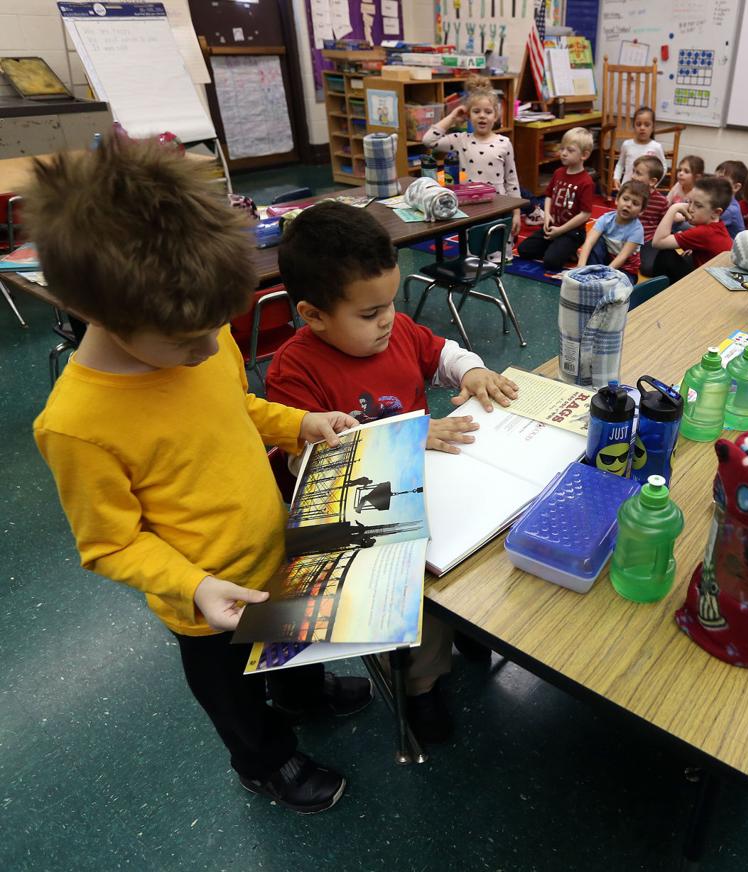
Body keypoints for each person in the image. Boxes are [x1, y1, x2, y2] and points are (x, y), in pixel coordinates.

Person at [29, 138, 363, 815]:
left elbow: (234, 408)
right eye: (189, 342)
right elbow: (111, 544)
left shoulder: (197, 336)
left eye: (219, 328)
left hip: (271, 545)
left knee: (295, 638)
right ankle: (264, 764)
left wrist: (296, 423)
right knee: (234, 696)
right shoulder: (76, 425)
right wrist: (196, 587)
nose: (211, 348)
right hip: (206, 605)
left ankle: (303, 694)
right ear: (101, 315)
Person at [266, 201, 519, 742]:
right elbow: (309, 463)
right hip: (359, 517)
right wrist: (407, 435)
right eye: (367, 313)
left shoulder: (396, 329)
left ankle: (466, 627)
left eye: (390, 303)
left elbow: (441, 350)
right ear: (311, 314)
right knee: (416, 604)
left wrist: (471, 371)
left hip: (431, 486)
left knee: (480, 550)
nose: (387, 320)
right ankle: (420, 689)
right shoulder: (293, 371)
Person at [422, 74, 523, 233]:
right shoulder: (460, 140)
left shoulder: (504, 143)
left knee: (498, 250)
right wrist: (453, 116)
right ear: (468, 116)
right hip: (470, 207)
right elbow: (429, 141)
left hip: (499, 206)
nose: (482, 115)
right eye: (476, 111)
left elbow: (512, 180)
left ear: (495, 116)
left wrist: (516, 212)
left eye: (488, 112)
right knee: (473, 251)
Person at [517, 126, 595, 272]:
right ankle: (558, 248)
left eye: (570, 150)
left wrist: (560, 231)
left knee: (551, 263)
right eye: (562, 148)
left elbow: (585, 214)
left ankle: (566, 249)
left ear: (584, 155)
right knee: (524, 250)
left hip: (572, 232)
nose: (563, 153)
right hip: (553, 227)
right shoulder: (558, 173)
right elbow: (549, 196)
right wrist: (546, 215)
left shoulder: (586, 182)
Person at [650, 175, 734, 285]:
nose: (690, 208)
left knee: (666, 255)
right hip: (713, 278)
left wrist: (673, 208)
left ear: (716, 212)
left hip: (707, 285)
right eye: (690, 202)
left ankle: (658, 296)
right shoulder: (716, 226)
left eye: (698, 205)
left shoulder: (704, 232)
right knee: (684, 253)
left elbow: (657, 242)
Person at [577, 180, 647, 276]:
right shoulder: (606, 219)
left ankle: (597, 276)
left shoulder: (637, 230)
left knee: (618, 288)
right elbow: (589, 242)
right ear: (617, 200)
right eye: (625, 199)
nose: (628, 205)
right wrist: (581, 266)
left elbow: (622, 257)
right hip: (606, 260)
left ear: (641, 211)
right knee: (597, 241)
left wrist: (605, 275)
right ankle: (591, 273)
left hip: (625, 270)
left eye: (635, 203)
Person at [612, 105, 666, 191]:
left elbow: (663, 167)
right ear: (634, 126)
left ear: (653, 127)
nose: (642, 128)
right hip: (627, 187)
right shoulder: (627, 144)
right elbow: (620, 164)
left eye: (647, 125)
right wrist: (616, 178)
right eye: (638, 124)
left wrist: (654, 185)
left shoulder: (656, 147)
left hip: (645, 189)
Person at [631, 155, 669, 275]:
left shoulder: (661, 201)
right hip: (626, 236)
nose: (633, 176)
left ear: (652, 181)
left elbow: (665, 225)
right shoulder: (629, 193)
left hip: (647, 241)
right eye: (633, 172)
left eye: (638, 173)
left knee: (647, 268)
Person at [713, 160, 748, 238]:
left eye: (720, 180)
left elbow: (705, 225)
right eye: (714, 179)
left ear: (735, 187)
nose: (714, 183)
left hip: (730, 249)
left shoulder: (730, 210)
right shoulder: (718, 202)